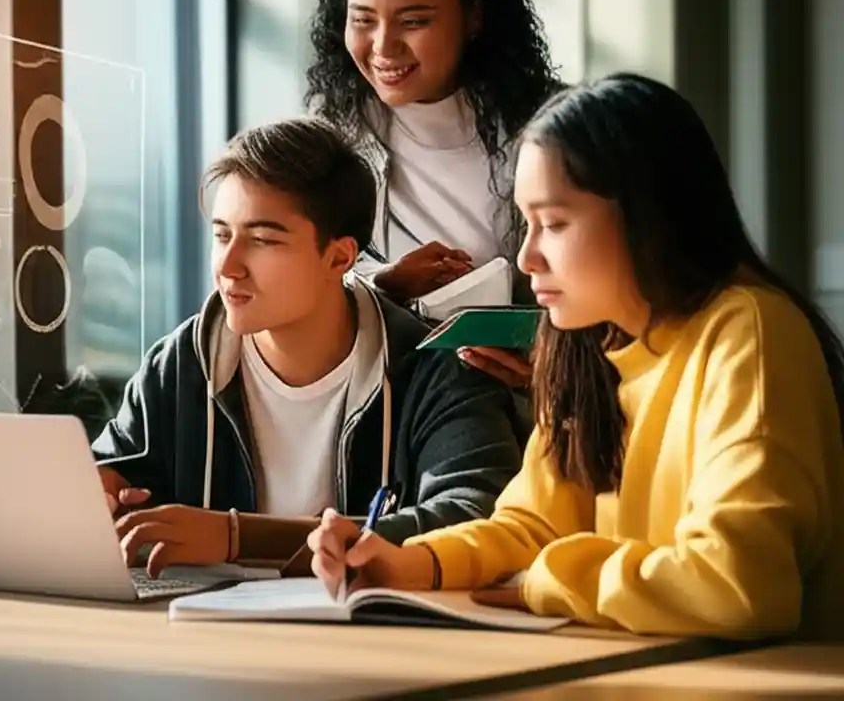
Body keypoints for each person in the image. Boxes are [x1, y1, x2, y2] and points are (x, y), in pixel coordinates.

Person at [306, 73, 844, 641]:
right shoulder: (592, 345)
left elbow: (739, 586)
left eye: (555, 224)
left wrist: (544, 579)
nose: (526, 257)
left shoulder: (748, 333)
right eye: (527, 224)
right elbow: (532, 524)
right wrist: (408, 562)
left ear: (648, 215)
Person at [92, 117, 522, 579]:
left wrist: (239, 537)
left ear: (339, 257)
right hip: (203, 636)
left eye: (262, 240)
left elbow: (477, 517)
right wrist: (100, 495)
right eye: (221, 235)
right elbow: (113, 471)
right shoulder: (180, 365)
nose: (229, 266)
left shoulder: (434, 369)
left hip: (371, 641)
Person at [306, 0, 562, 388]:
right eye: (363, 20)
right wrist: (385, 282)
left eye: (413, 21)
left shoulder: (555, 130)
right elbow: (300, 280)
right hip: (390, 407)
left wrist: (555, 374)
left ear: (474, 17)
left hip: (525, 412)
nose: (384, 48)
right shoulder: (336, 132)